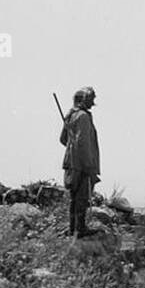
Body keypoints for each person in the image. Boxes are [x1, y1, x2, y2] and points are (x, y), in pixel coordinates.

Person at [59, 86, 101, 236]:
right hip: (82, 164)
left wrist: (72, 148)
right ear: (83, 99)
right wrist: (89, 164)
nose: (93, 102)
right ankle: (80, 229)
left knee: (74, 197)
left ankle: (73, 228)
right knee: (82, 196)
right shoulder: (83, 116)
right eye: (91, 99)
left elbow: (63, 139)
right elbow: (83, 143)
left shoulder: (70, 115)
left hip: (70, 162)